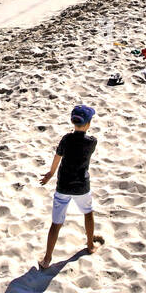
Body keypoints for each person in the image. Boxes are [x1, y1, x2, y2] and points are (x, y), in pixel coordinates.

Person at [38, 105, 102, 269]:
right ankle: (90, 245)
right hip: (81, 185)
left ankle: (47, 259)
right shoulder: (92, 142)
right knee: (88, 213)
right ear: (87, 124)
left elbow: (57, 157)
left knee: (56, 223)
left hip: (63, 185)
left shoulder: (66, 139)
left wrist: (50, 174)